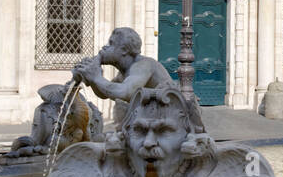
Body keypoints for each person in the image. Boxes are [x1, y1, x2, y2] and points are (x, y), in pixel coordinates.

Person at [73, 27, 201, 130]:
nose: (105, 47)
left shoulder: (143, 65)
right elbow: (106, 94)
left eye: (111, 44)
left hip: (170, 124)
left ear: (124, 50)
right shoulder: (124, 72)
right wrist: (92, 78)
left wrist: (96, 77)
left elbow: (125, 93)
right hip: (151, 120)